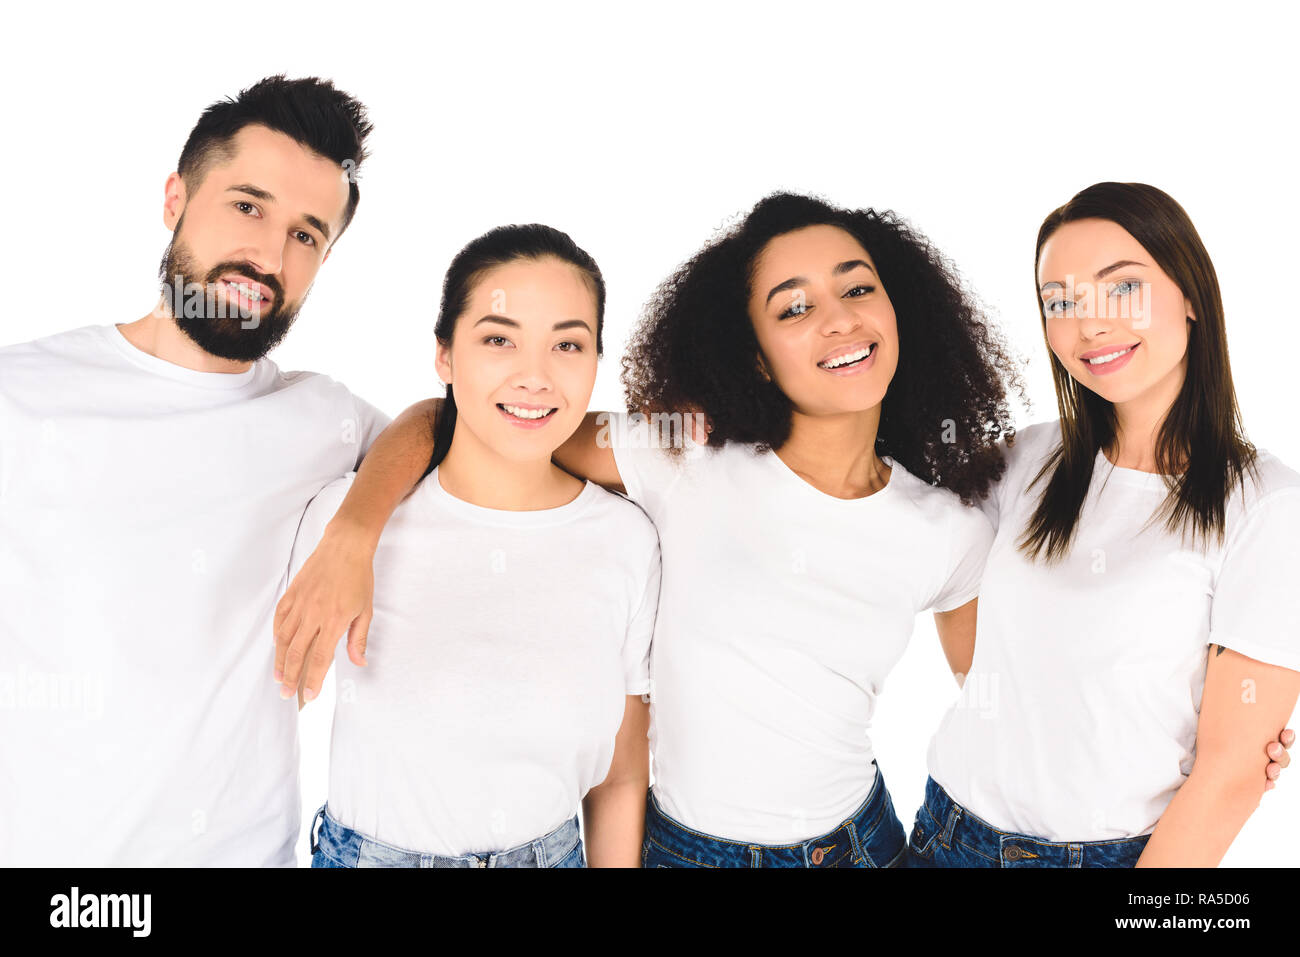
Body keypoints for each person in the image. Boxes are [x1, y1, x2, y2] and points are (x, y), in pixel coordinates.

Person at [274, 192, 1019, 867]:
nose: (838, 318)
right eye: (793, 307)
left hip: (859, 846)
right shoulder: (683, 455)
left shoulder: (948, 528)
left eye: (858, 288)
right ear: (756, 357)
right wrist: (357, 529)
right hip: (681, 851)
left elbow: (1000, 711)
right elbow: (466, 420)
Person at [0, 75, 388, 866]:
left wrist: (357, 527)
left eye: (306, 235)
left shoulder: (322, 417)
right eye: (247, 206)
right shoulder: (22, 392)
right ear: (176, 198)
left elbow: (454, 432)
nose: (269, 256)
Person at [912, 182, 1300, 867]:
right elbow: (955, 595)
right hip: (948, 834)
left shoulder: (1264, 506)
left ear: (1190, 295)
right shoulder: (1023, 458)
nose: (1088, 324)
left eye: (1120, 288)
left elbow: (1230, 776)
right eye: (1060, 301)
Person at [293, 224, 659, 868]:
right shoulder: (347, 522)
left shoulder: (627, 540)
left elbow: (622, 774)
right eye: (498, 339)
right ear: (445, 355)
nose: (535, 377)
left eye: (567, 345)